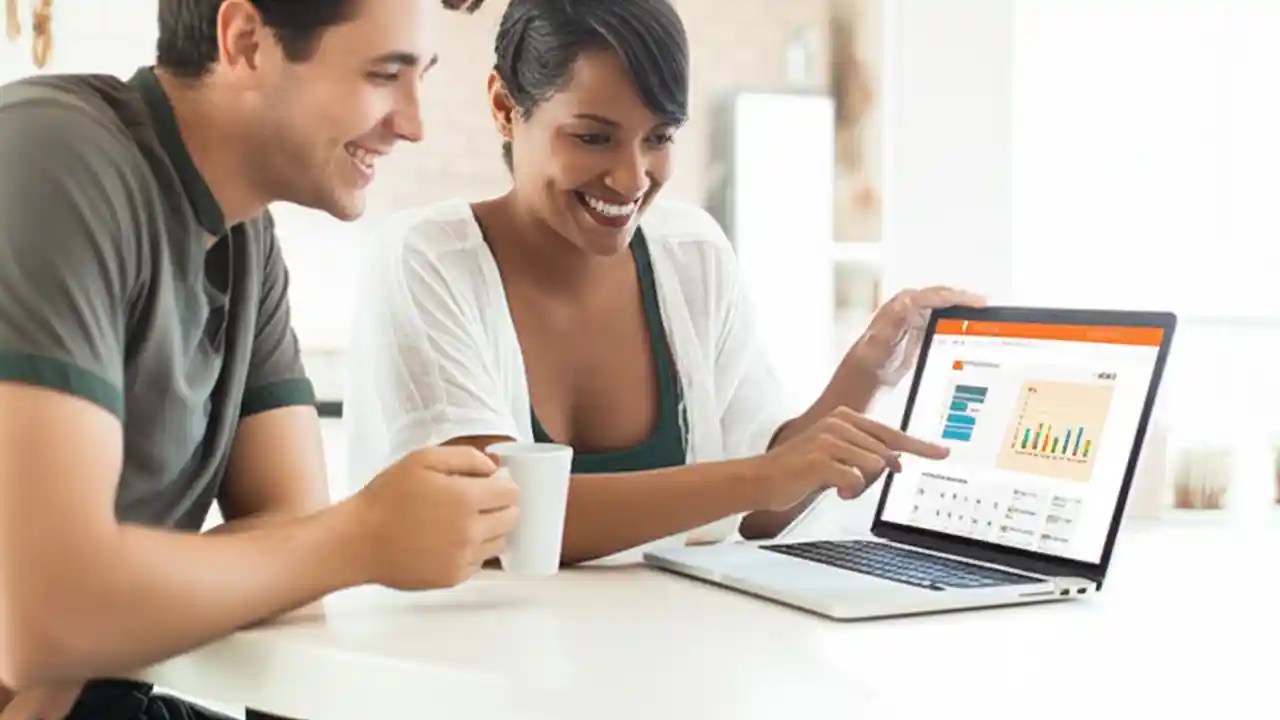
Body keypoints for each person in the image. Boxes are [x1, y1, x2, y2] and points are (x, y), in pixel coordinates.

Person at [0, 1, 515, 719]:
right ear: (245, 41)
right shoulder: (51, 155)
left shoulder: (245, 241)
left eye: (418, 78)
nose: (412, 122)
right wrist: (364, 536)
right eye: (382, 75)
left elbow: (289, 525)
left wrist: (85, 623)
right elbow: (46, 613)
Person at [344, 0, 985, 566]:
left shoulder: (690, 254)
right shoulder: (425, 259)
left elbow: (762, 508)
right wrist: (762, 477)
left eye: (660, 137)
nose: (632, 178)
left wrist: (868, 368)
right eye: (594, 137)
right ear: (505, 108)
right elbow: (495, 522)